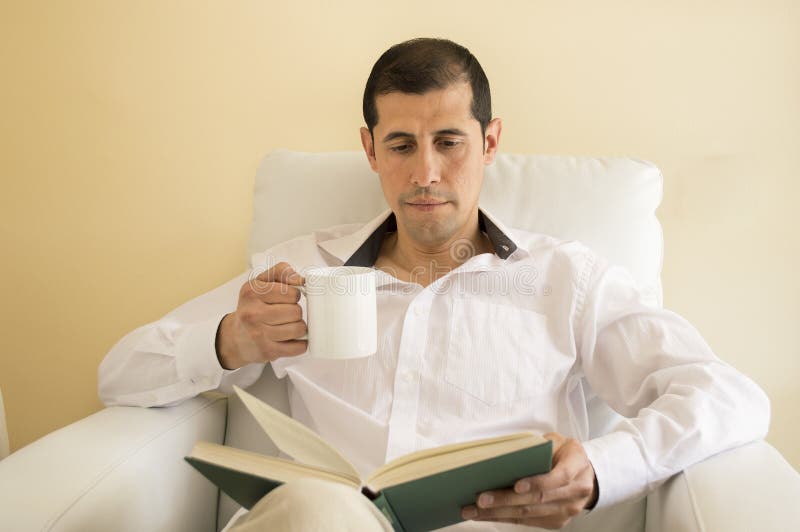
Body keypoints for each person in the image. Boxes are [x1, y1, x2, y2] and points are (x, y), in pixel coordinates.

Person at [99, 38, 769, 531]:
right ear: (369, 149)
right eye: (400, 146)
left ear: (490, 141)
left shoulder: (568, 278)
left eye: (449, 141)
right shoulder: (297, 271)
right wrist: (226, 342)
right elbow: (119, 374)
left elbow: (729, 395)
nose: (425, 173)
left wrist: (603, 466)